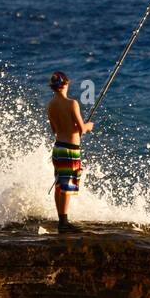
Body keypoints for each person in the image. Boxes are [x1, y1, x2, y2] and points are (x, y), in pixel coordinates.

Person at [46, 71, 93, 233]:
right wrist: (89, 126)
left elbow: (54, 129)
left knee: (59, 185)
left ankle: (62, 221)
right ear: (65, 84)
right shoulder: (72, 103)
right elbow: (81, 129)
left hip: (57, 148)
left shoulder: (50, 105)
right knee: (66, 186)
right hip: (70, 151)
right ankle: (64, 224)